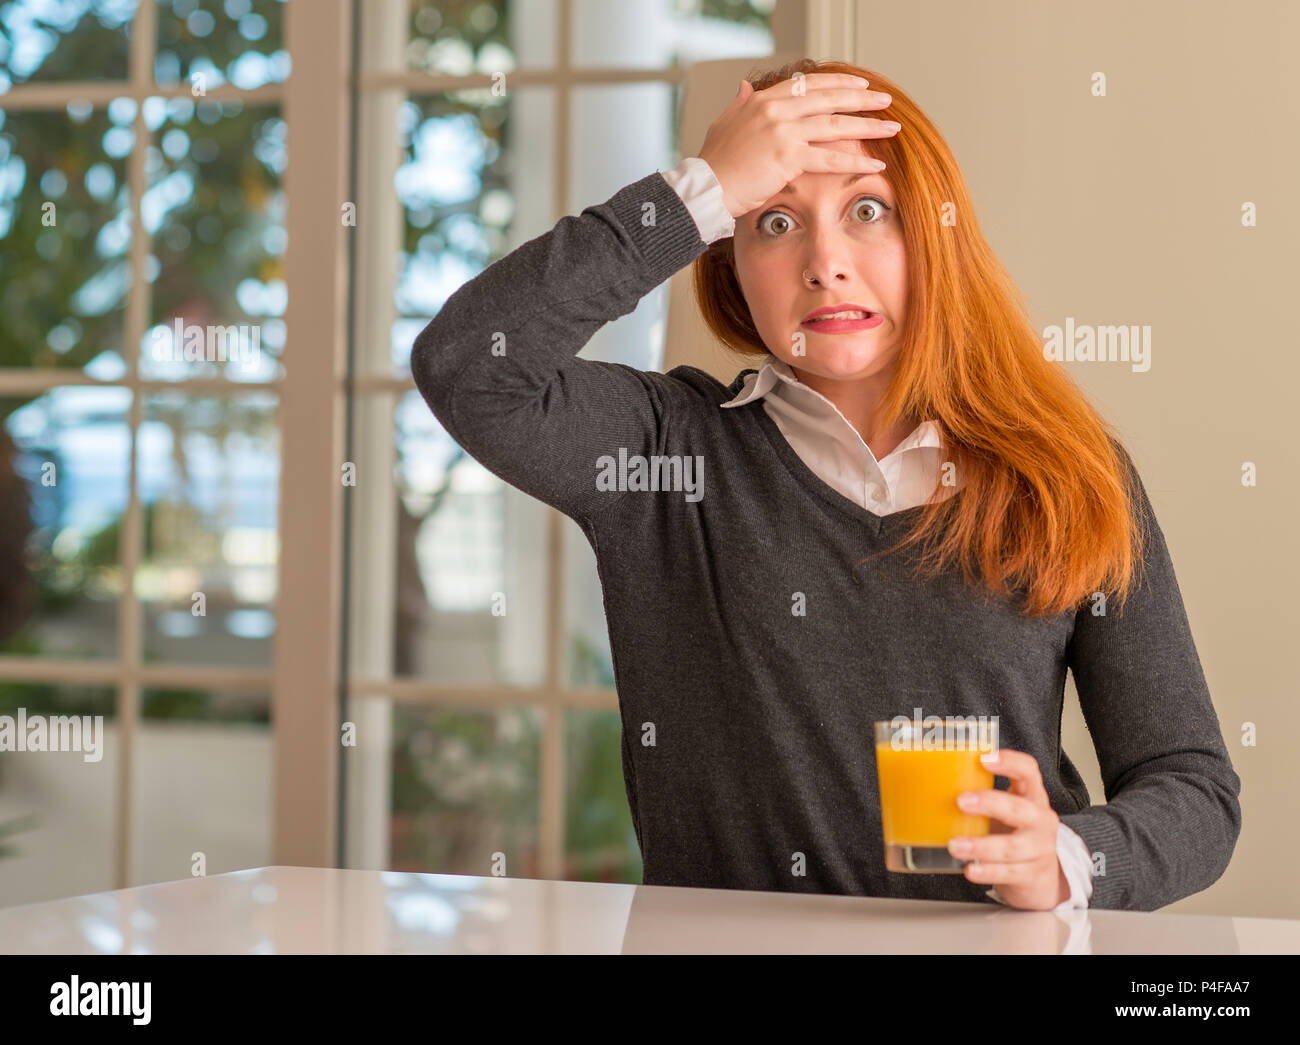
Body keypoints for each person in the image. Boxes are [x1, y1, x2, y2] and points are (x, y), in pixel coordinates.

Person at [411, 57, 1240, 912]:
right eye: (773, 220)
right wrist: (697, 190)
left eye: (868, 211)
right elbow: (468, 364)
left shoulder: (1068, 475)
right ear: (729, 257)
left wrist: (1067, 856)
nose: (824, 263)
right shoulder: (664, 458)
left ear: (935, 236)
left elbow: (1194, 792)